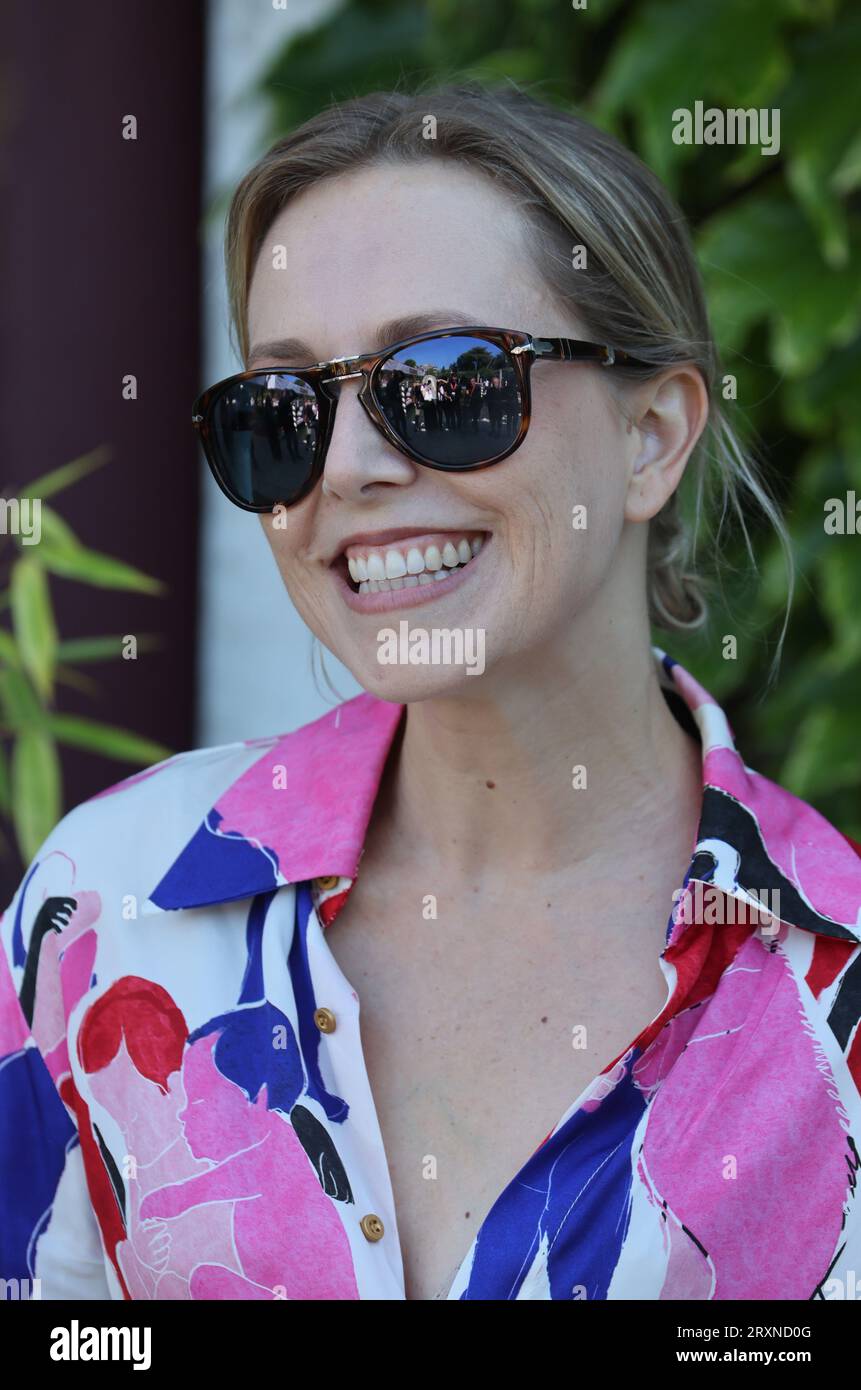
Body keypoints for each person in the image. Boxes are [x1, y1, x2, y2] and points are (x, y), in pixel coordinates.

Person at [2, 81, 859, 1305]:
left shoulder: (842, 999)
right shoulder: (104, 910)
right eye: (281, 411)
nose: (349, 468)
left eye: (448, 380)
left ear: (653, 437)